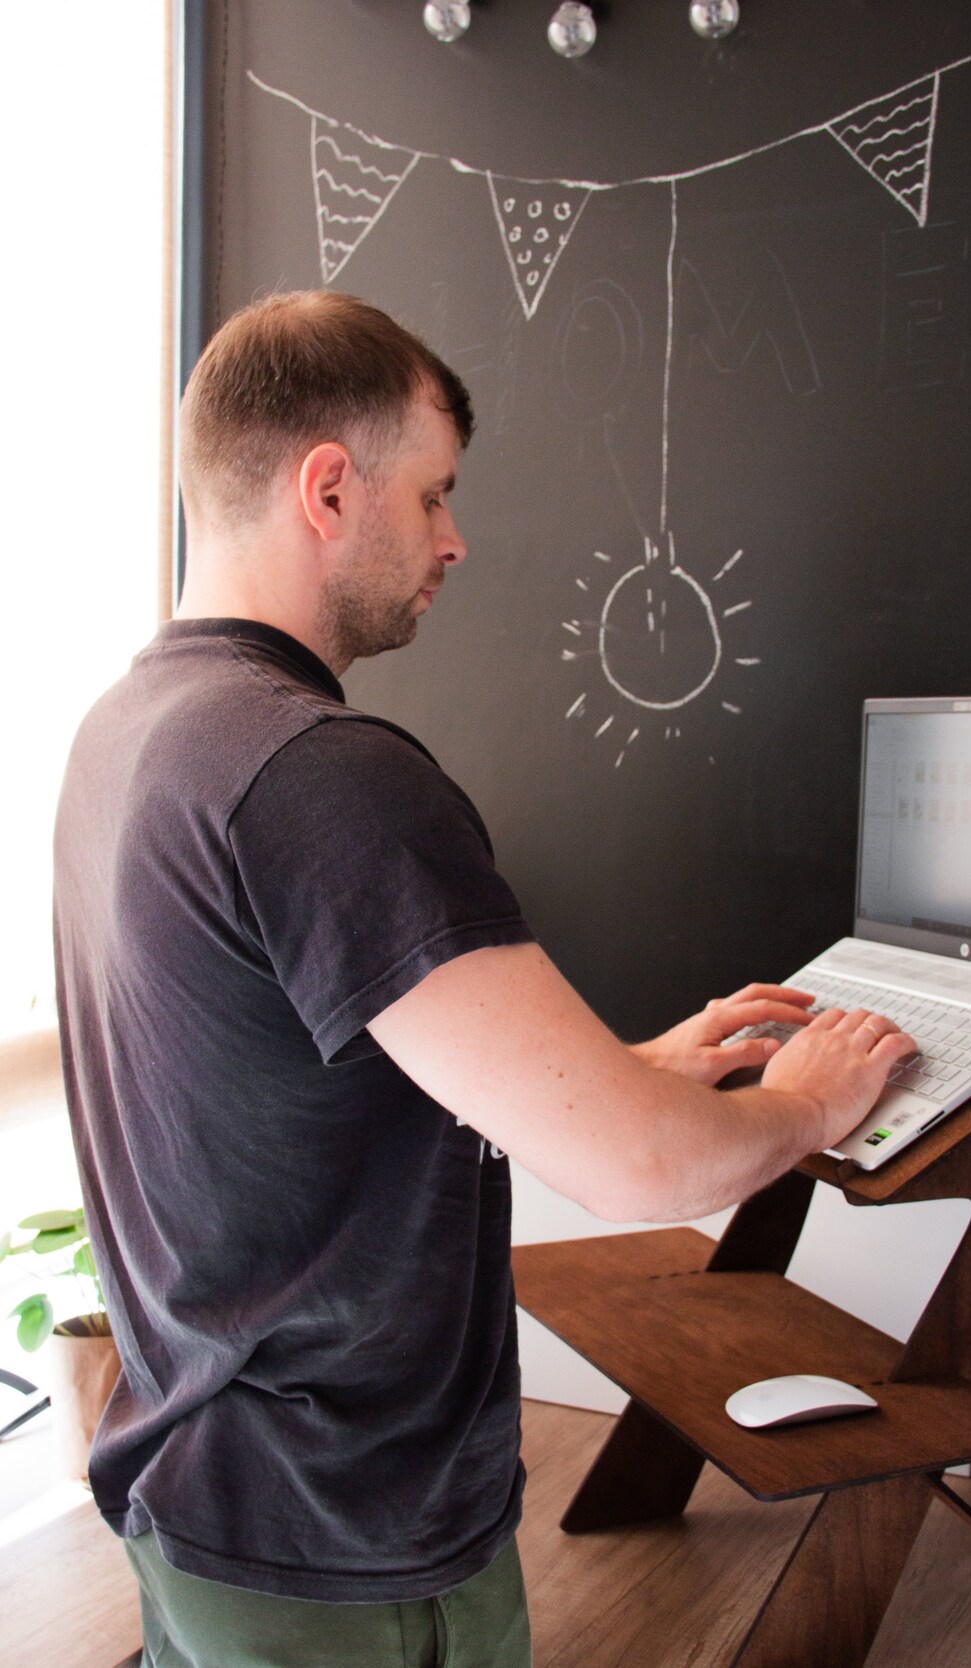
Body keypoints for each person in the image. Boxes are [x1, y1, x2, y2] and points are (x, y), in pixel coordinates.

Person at [53, 290, 913, 1668]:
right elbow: (642, 1173)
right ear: (328, 488)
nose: (455, 538)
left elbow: (300, 1087)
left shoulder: (131, 732)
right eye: (436, 493)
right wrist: (809, 1100)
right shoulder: (323, 777)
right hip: (348, 1548)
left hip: (204, 1490)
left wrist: (635, 1065)